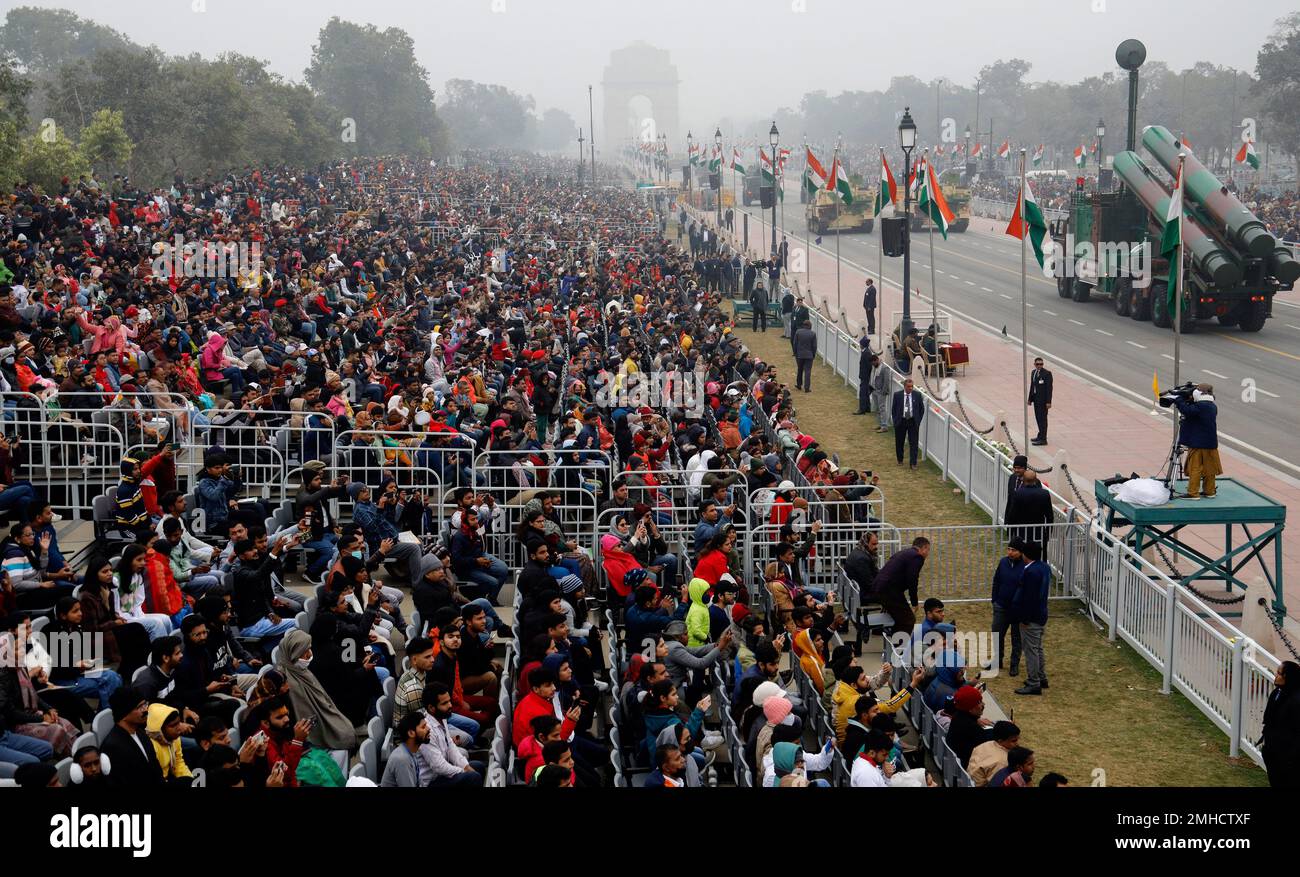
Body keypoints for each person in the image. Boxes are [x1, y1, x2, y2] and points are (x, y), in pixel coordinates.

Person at [421, 682, 485, 786]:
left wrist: (465, 767)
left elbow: (451, 747)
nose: (450, 705)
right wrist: (464, 771)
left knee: (479, 767)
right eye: (444, 703)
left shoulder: (442, 718)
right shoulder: (427, 731)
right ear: (431, 708)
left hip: (443, 773)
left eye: (449, 701)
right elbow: (439, 767)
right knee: (473, 777)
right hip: (432, 782)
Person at [99, 689, 163, 787]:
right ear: (124, 714)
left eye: (145, 704)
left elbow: (155, 767)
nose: (145, 710)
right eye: (139, 707)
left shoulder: (140, 733)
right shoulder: (113, 747)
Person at [870, 536, 929, 638]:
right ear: (923, 548)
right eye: (928, 550)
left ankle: (885, 634)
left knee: (899, 616)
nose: (928, 553)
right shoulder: (917, 557)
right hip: (889, 591)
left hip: (880, 587)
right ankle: (898, 648)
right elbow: (912, 580)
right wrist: (914, 602)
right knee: (908, 620)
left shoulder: (904, 553)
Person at [1012, 542, 1051, 696]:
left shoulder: (1031, 572)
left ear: (1025, 554)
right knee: (1037, 648)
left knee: (1031, 650)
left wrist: (1025, 618)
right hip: (1040, 615)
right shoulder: (1044, 568)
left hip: (1031, 617)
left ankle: (1034, 682)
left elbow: (1029, 598)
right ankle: (1041, 677)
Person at [1174, 383, 1221, 500]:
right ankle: (1209, 491)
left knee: (1195, 467)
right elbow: (1193, 413)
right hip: (1210, 443)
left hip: (1198, 443)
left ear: (1199, 393)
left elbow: (1187, 410)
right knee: (1209, 469)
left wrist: (1178, 399)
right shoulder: (1211, 405)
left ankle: (1192, 493)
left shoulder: (1201, 406)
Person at [1261, 660, 1300, 787]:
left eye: (1279, 673)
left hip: (1287, 757)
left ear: (1287, 677)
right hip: (1272, 750)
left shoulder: (1296, 701)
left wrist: (1291, 759)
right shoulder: (1277, 692)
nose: (1276, 676)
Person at [990, 540, 1026, 674]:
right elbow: (997, 580)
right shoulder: (1003, 562)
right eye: (1009, 549)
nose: (1010, 552)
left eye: (1014, 550)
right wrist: (995, 600)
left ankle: (1014, 664)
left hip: (1018, 609)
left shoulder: (1025, 566)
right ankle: (997, 660)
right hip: (1001, 606)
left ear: (1020, 552)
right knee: (997, 634)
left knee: (1017, 638)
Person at [1006, 470, 1052, 561]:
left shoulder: (1017, 493)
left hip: (1021, 531)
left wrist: (1011, 532)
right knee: (1039, 556)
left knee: (1021, 556)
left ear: (1023, 480)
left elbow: (1012, 514)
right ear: (1036, 480)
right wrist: (1048, 533)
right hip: (1039, 531)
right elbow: (1049, 515)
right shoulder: (1044, 494)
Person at [967, 720, 1021, 787]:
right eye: (1014, 741)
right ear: (1000, 741)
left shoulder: (985, 745)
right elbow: (998, 784)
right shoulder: (1002, 762)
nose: (1018, 743)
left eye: (1018, 739)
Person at [891, 377, 924, 469]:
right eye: (909, 386)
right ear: (904, 386)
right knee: (899, 441)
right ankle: (900, 460)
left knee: (914, 443)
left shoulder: (917, 395)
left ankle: (913, 463)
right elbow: (894, 409)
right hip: (901, 421)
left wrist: (918, 420)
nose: (910, 388)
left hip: (913, 422)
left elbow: (921, 409)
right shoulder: (897, 395)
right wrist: (895, 421)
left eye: (912, 386)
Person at [1027, 357, 1053, 445]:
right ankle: (1040, 435)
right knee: (1038, 418)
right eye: (1037, 364)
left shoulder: (1047, 374)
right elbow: (1032, 386)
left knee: (1043, 419)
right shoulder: (1033, 372)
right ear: (1034, 364)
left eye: (1041, 364)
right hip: (1036, 400)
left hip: (1043, 401)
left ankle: (1043, 438)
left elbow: (1049, 389)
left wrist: (1048, 402)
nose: (1039, 366)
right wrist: (1030, 399)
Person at [1003, 455, 1028, 525]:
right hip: (1012, 518)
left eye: (1019, 468)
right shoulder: (1012, 477)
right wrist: (1007, 518)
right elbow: (1010, 499)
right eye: (1015, 468)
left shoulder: (1031, 481)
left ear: (1025, 468)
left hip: (1024, 520)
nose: (1016, 470)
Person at [793, 319, 816, 393]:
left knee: (800, 370)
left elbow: (795, 343)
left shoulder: (798, 332)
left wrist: (795, 352)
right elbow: (814, 346)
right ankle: (807, 388)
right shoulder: (813, 334)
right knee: (807, 371)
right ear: (810, 326)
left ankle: (799, 385)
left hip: (800, 355)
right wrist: (813, 354)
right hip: (809, 355)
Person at [854, 342, 875, 415]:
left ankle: (862, 409)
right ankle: (867, 408)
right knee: (865, 392)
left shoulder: (866, 353)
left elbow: (869, 366)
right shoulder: (867, 352)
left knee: (863, 393)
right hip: (865, 376)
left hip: (865, 376)